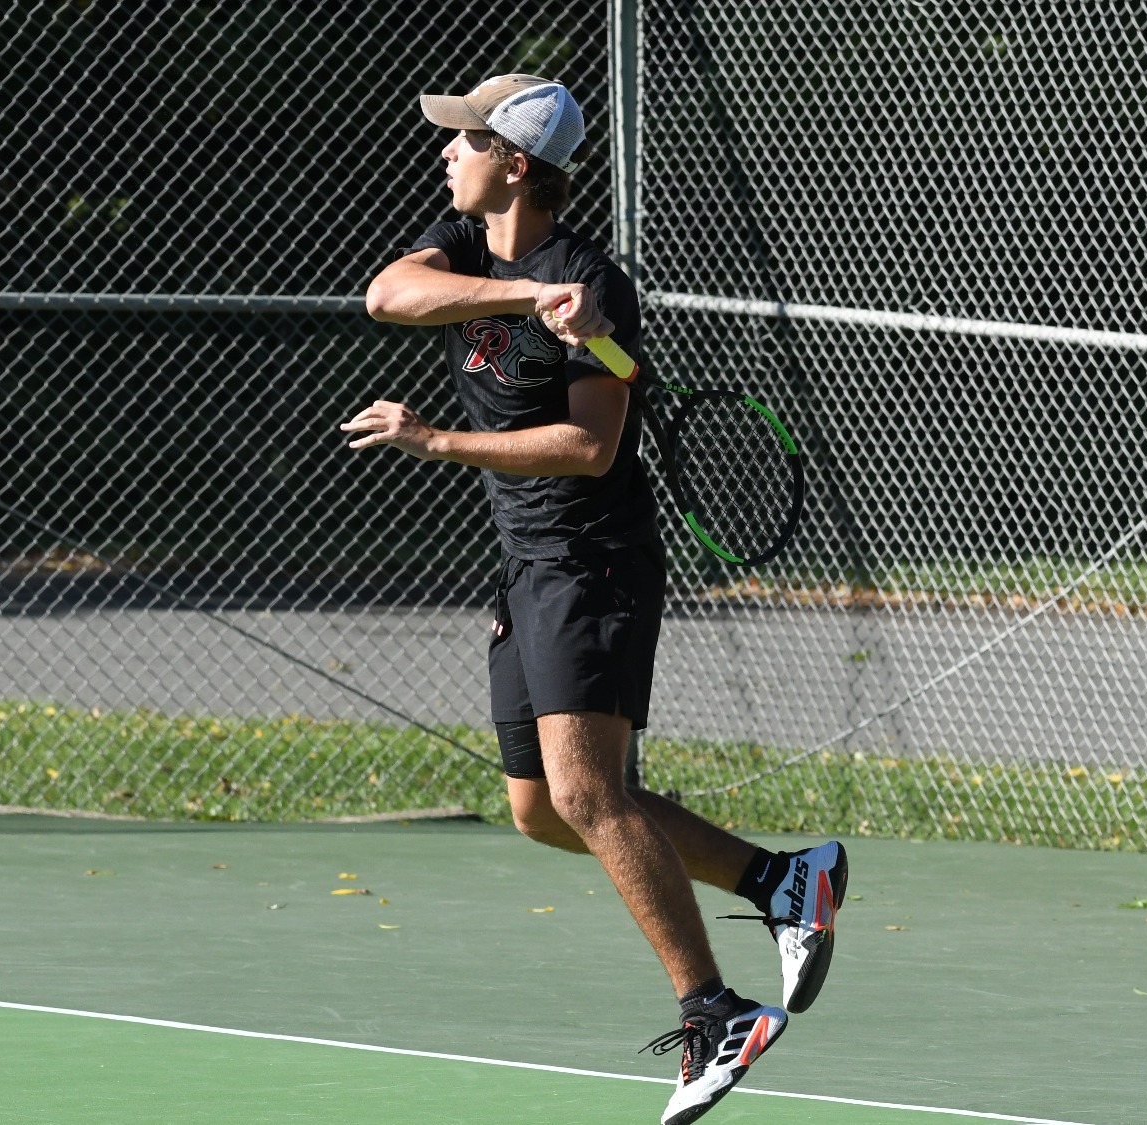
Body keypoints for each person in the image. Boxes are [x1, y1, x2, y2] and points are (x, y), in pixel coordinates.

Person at [348, 73, 847, 1125]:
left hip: (592, 561)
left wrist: (435, 439)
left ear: (514, 162)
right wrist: (521, 301)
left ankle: (714, 1011)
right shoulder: (470, 246)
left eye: (465, 139)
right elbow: (387, 296)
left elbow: (588, 446)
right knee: (540, 810)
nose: (446, 152)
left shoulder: (594, 282)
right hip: (524, 563)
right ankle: (783, 884)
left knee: (588, 793)